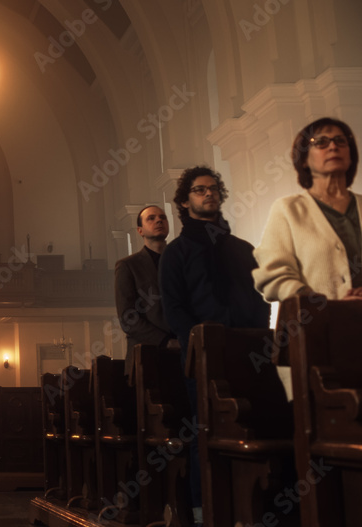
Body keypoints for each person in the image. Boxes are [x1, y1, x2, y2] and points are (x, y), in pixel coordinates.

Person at [159, 165, 271, 527]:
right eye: (199, 190)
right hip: (203, 357)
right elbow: (174, 308)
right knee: (203, 431)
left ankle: (254, 510)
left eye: (213, 189)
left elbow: (261, 299)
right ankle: (202, 511)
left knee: (257, 428)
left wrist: (255, 339)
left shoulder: (243, 249)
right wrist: (200, 344)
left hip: (249, 354)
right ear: (185, 200)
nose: (208, 194)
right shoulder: (175, 254)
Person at [254, 117, 362, 301]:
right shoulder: (288, 210)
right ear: (304, 159)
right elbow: (273, 277)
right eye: (321, 142)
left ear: (351, 155)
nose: (333, 147)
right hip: (317, 327)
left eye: (340, 140)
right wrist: (319, 305)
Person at [114, 205, 177, 372]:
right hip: (146, 358)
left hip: (182, 355)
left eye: (162, 217)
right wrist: (165, 341)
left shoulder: (179, 263)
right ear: (140, 230)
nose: (159, 220)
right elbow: (128, 318)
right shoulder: (128, 266)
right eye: (151, 218)